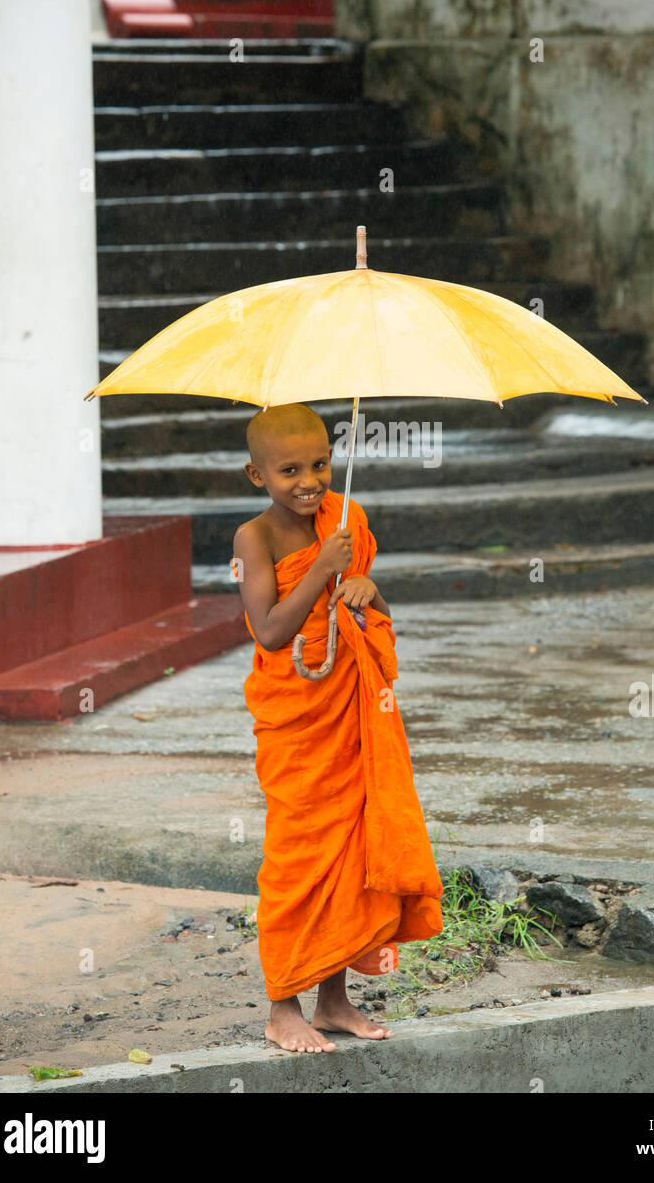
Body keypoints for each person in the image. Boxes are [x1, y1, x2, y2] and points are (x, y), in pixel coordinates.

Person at [232, 402, 443, 1054]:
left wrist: (364, 587)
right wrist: (324, 569)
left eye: (320, 463)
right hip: (297, 722)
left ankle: (332, 1001)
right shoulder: (254, 539)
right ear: (255, 475)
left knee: (353, 852)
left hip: (351, 714)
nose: (310, 480)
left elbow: (376, 613)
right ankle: (281, 1006)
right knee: (299, 857)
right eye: (289, 469)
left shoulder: (347, 521)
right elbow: (269, 631)